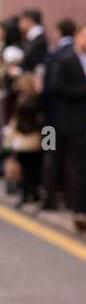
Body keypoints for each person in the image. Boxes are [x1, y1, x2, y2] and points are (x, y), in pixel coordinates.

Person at [45, 21, 86, 230]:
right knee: (76, 165)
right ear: (78, 37)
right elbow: (56, 88)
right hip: (71, 123)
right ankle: (78, 209)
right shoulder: (65, 59)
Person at [3, 73, 44, 207]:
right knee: (27, 166)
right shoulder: (21, 98)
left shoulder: (34, 99)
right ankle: (27, 193)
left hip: (32, 136)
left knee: (32, 166)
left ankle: (30, 193)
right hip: (27, 137)